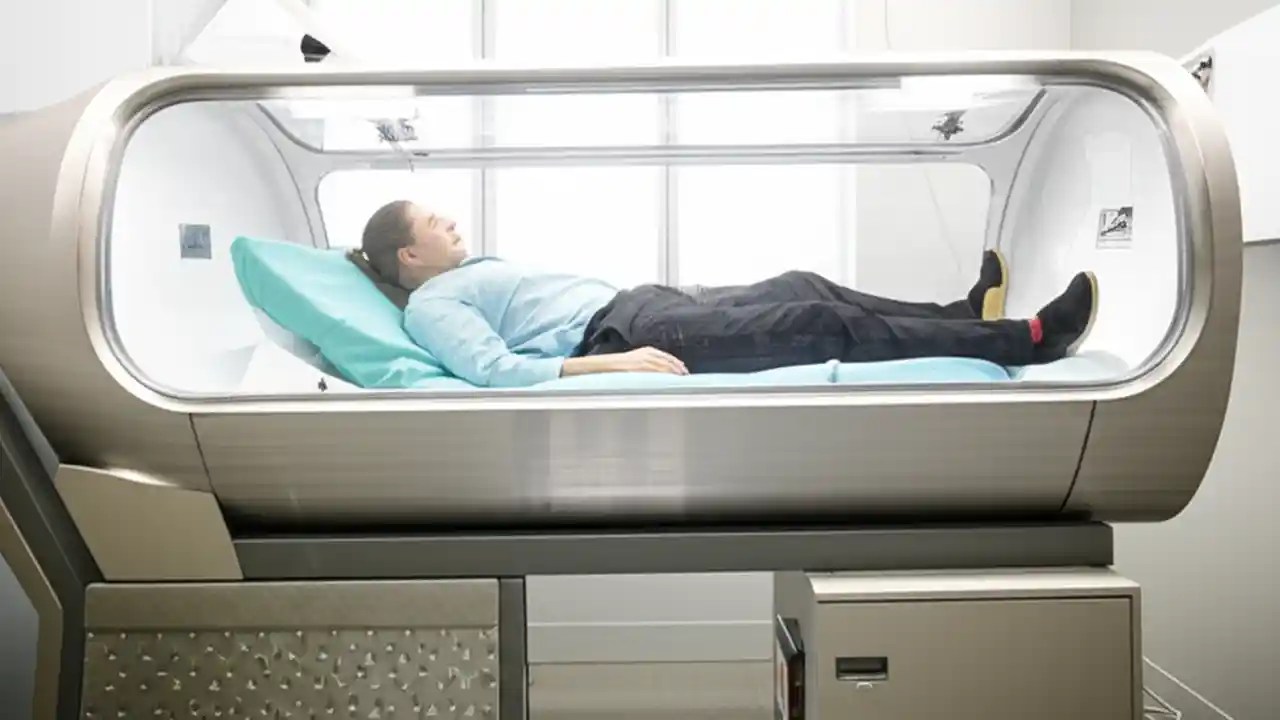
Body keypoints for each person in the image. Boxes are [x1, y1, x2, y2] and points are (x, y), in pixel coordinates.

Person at [348, 200, 1098, 389]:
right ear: (410, 253)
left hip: (647, 301)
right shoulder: (431, 306)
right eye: (434, 222)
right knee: (815, 323)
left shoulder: (464, 276)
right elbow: (493, 373)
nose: (451, 222)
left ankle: (965, 316)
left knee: (803, 283)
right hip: (626, 333)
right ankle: (1030, 339)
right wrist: (616, 364)